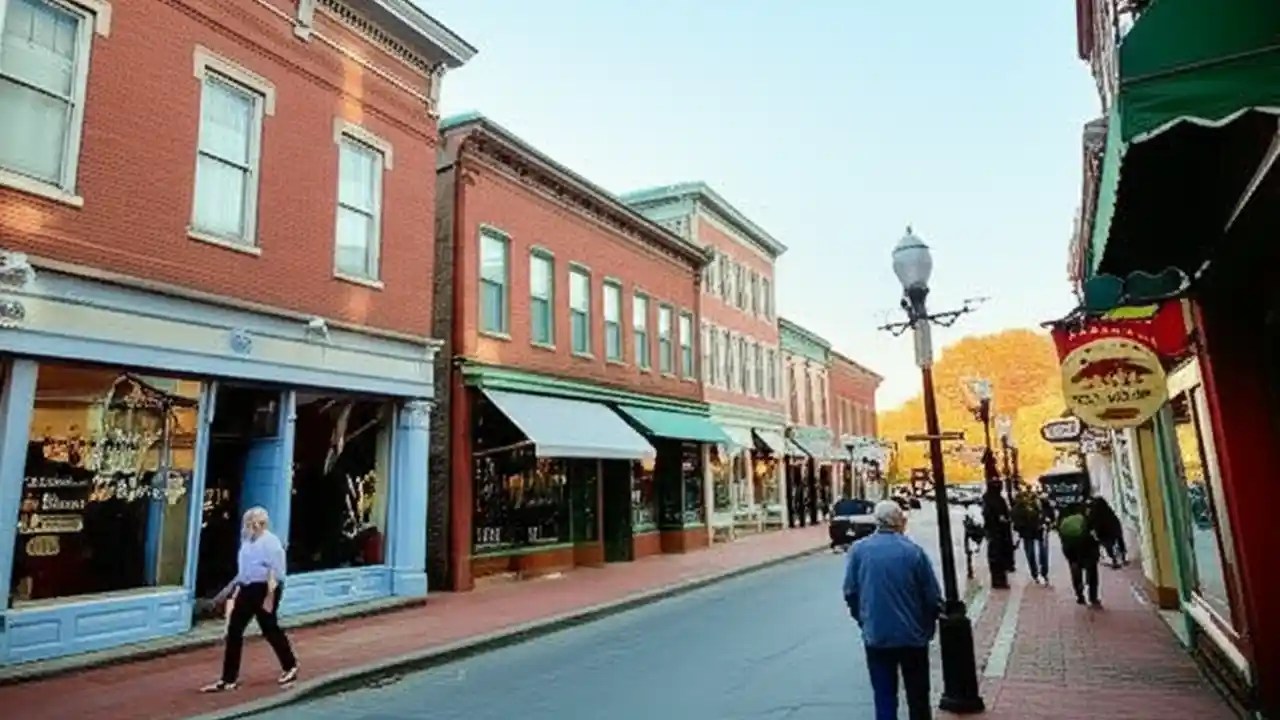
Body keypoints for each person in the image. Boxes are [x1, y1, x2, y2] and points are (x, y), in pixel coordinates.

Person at [843, 500, 942, 720]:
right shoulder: (914, 552)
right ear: (899, 522)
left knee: (884, 696)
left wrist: (864, 620)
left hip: (877, 635)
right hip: (912, 637)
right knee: (917, 696)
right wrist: (927, 628)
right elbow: (932, 597)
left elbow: (850, 592)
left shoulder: (859, 551)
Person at [202, 507, 299, 692]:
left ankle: (290, 665)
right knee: (234, 630)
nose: (253, 526)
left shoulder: (271, 542)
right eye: (250, 522)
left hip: (265, 587)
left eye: (258, 522)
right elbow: (243, 573)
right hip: (247, 588)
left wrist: (269, 598)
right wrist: (224, 594)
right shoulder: (246, 542)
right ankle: (228, 679)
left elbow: (277, 572)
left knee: (269, 628)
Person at [1057, 501, 1101, 607]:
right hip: (1086, 546)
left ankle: (1079, 595)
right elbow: (1092, 530)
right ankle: (1093, 597)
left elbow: (1060, 532)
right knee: (1092, 571)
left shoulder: (1063, 515)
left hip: (1070, 547)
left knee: (1075, 569)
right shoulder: (1084, 513)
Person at [1011, 488, 1049, 584]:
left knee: (1034, 551)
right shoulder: (1032, 504)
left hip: (1030, 531)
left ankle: (1038, 573)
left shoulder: (1021, 506)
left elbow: (1015, 520)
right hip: (1034, 531)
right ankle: (1040, 573)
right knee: (1038, 550)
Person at [981, 481, 1013, 589]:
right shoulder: (994, 500)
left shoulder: (992, 499)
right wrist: (1001, 519)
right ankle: (998, 580)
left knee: (998, 557)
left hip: (996, 533)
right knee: (998, 557)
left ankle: (999, 580)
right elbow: (992, 516)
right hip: (997, 533)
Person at [1089, 497, 1126, 568]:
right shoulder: (1108, 510)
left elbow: (1090, 523)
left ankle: (1113, 560)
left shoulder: (1094, 512)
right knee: (1119, 541)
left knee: (1107, 544)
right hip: (1115, 530)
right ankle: (1123, 558)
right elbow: (1115, 521)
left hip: (1103, 533)